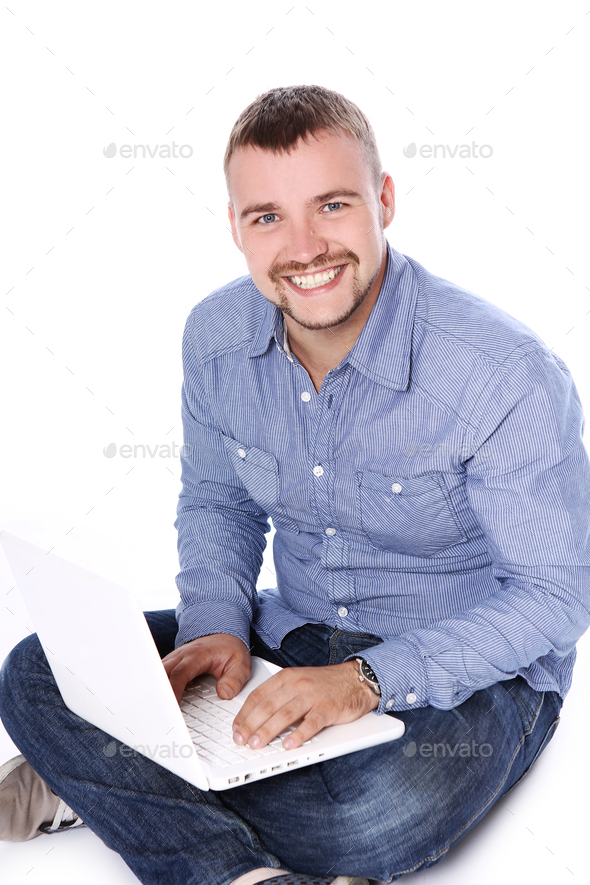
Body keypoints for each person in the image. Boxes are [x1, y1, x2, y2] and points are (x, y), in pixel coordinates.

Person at [1, 84, 589, 885]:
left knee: (375, 815)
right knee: (36, 669)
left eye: (334, 204)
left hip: (469, 672)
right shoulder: (214, 336)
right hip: (292, 629)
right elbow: (220, 500)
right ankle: (237, 865)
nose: (304, 246)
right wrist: (217, 625)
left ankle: (100, 777)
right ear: (238, 227)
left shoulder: (501, 374)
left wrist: (368, 681)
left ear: (383, 199)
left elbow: (555, 596)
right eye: (268, 216)